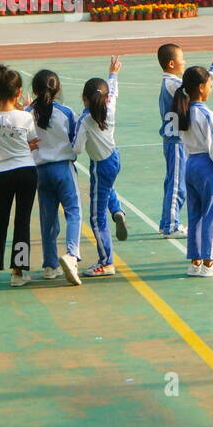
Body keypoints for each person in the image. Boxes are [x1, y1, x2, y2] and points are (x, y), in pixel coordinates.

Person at [157, 42, 213, 237]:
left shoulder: (171, 83)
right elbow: (198, 88)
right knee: (177, 184)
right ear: (171, 64)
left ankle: (166, 222)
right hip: (175, 141)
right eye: (182, 59)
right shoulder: (173, 84)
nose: (184, 61)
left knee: (173, 181)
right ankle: (171, 225)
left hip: (173, 141)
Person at [0, 64, 39, 286]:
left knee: (0, 221)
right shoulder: (25, 117)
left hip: (3, 172)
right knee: (22, 221)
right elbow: (31, 140)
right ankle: (18, 271)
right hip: (26, 171)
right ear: (18, 92)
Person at [173, 65, 213, 277]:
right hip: (206, 164)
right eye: (208, 84)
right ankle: (209, 261)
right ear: (200, 87)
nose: (210, 88)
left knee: (195, 213)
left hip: (190, 164)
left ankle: (195, 260)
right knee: (212, 213)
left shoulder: (183, 112)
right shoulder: (206, 114)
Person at [27, 69, 82, 286]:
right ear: (58, 88)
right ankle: (72, 255)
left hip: (40, 169)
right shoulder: (65, 112)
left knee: (47, 218)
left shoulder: (29, 113)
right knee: (73, 211)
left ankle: (50, 265)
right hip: (63, 167)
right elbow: (75, 138)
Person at [74, 57, 124, 276]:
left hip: (100, 164)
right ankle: (117, 210)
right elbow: (113, 92)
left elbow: (76, 149)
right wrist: (112, 74)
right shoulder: (109, 108)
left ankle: (106, 262)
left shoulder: (84, 120)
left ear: (84, 98)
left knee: (96, 216)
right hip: (114, 158)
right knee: (107, 187)